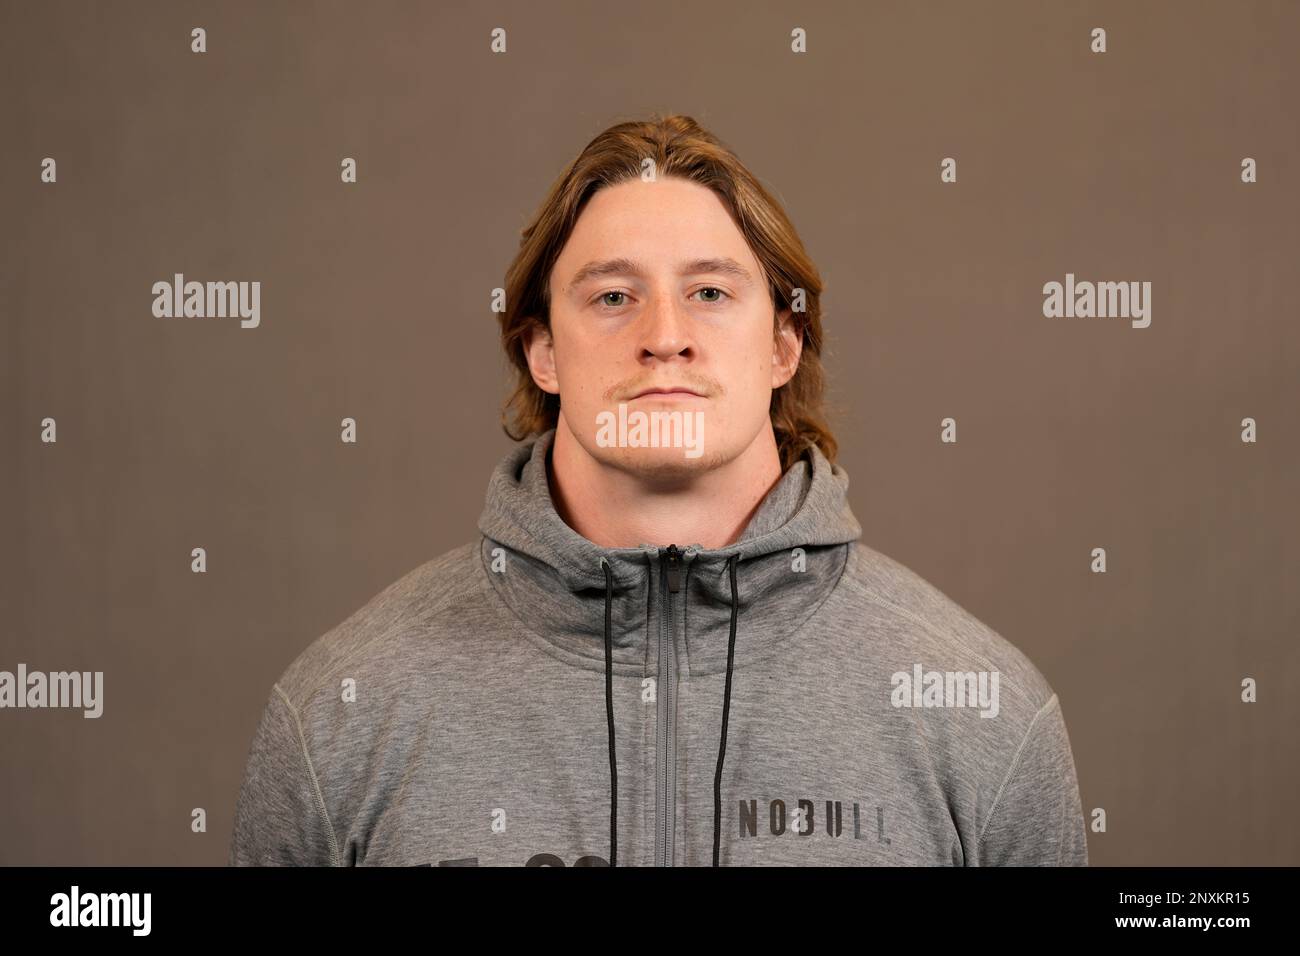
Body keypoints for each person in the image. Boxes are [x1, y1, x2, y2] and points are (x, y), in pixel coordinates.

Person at [230, 114, 1088, 867]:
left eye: (710, 292)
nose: (665, 337)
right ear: (543, 352)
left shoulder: (983, 712)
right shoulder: (341, 712)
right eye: (613, 296)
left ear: (784, 345)